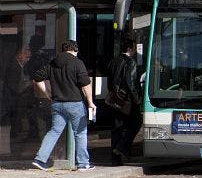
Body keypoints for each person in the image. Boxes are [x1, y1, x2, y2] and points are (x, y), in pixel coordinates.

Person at [31, 40, 96, 170]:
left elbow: (37, 77)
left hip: (57, 104)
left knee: (54, 131)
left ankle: (40, 159)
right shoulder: (77, 63)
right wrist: (90, 102)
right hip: (75, 104)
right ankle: (83, 164)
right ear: (75, 50)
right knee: (80, 132)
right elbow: (85, 84)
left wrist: (47, 93)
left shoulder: (53, 63)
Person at [107, 38, 142, 165]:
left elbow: (110, 81)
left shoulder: (113, 61)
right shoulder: (130, 62)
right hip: (127, 100)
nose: (134, 51)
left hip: (114, 99)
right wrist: (136, 99)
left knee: (117, 127)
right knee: (136, 123)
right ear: (130, 49)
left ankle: (115, 158)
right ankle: (121, 148)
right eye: (133, 48)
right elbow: (130, 82)